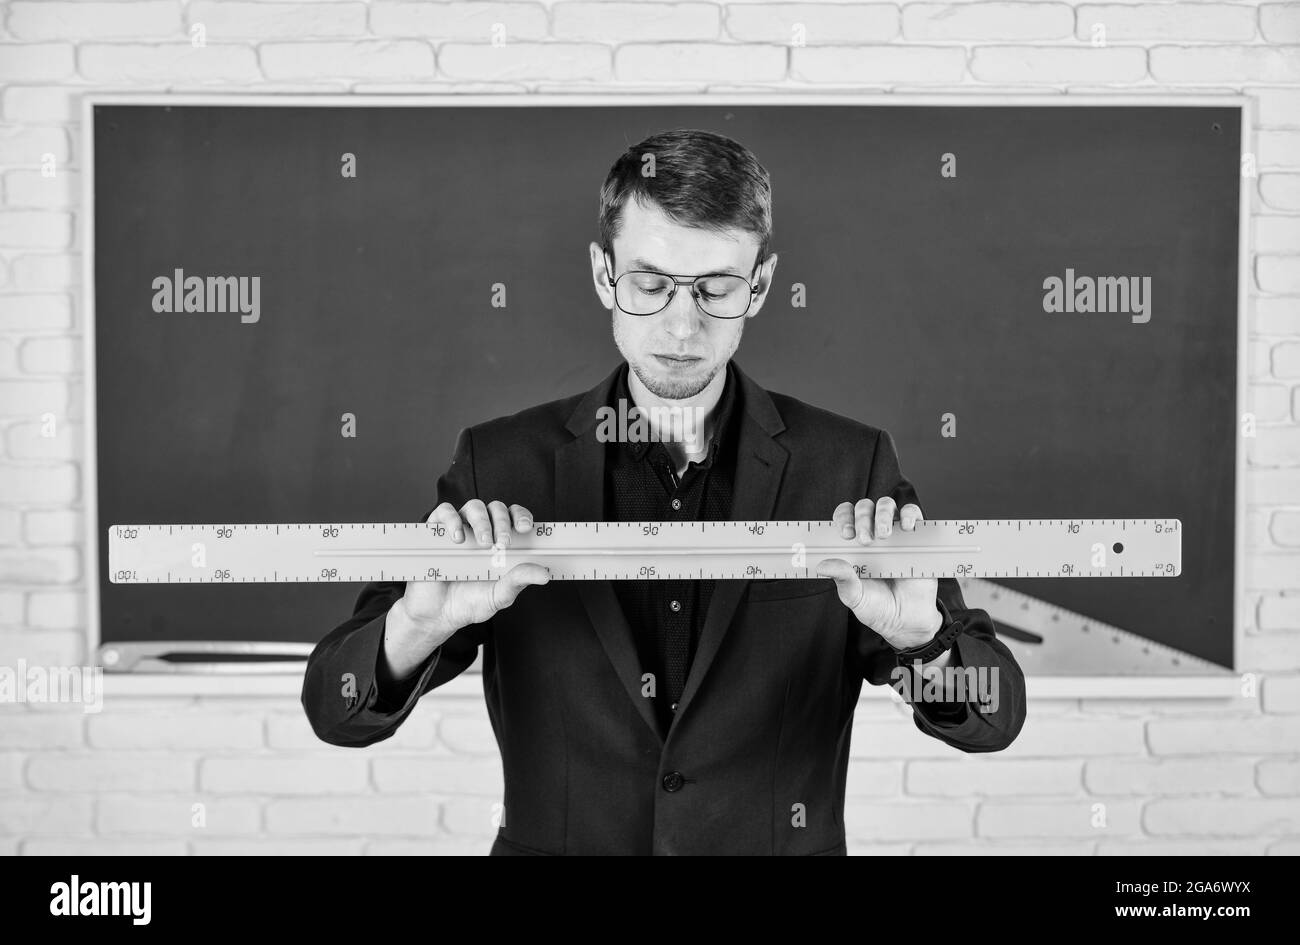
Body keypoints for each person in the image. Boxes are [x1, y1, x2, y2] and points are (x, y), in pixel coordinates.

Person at [302, 128, 1026, 855]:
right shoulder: (500, 466)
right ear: (602, 275)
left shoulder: (847, 468)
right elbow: (336, 709)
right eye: (650, 285)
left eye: (716, 288)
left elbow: (996, 715)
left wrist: (923, 642)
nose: (683, 325)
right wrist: (415, 629)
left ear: (762, 285)